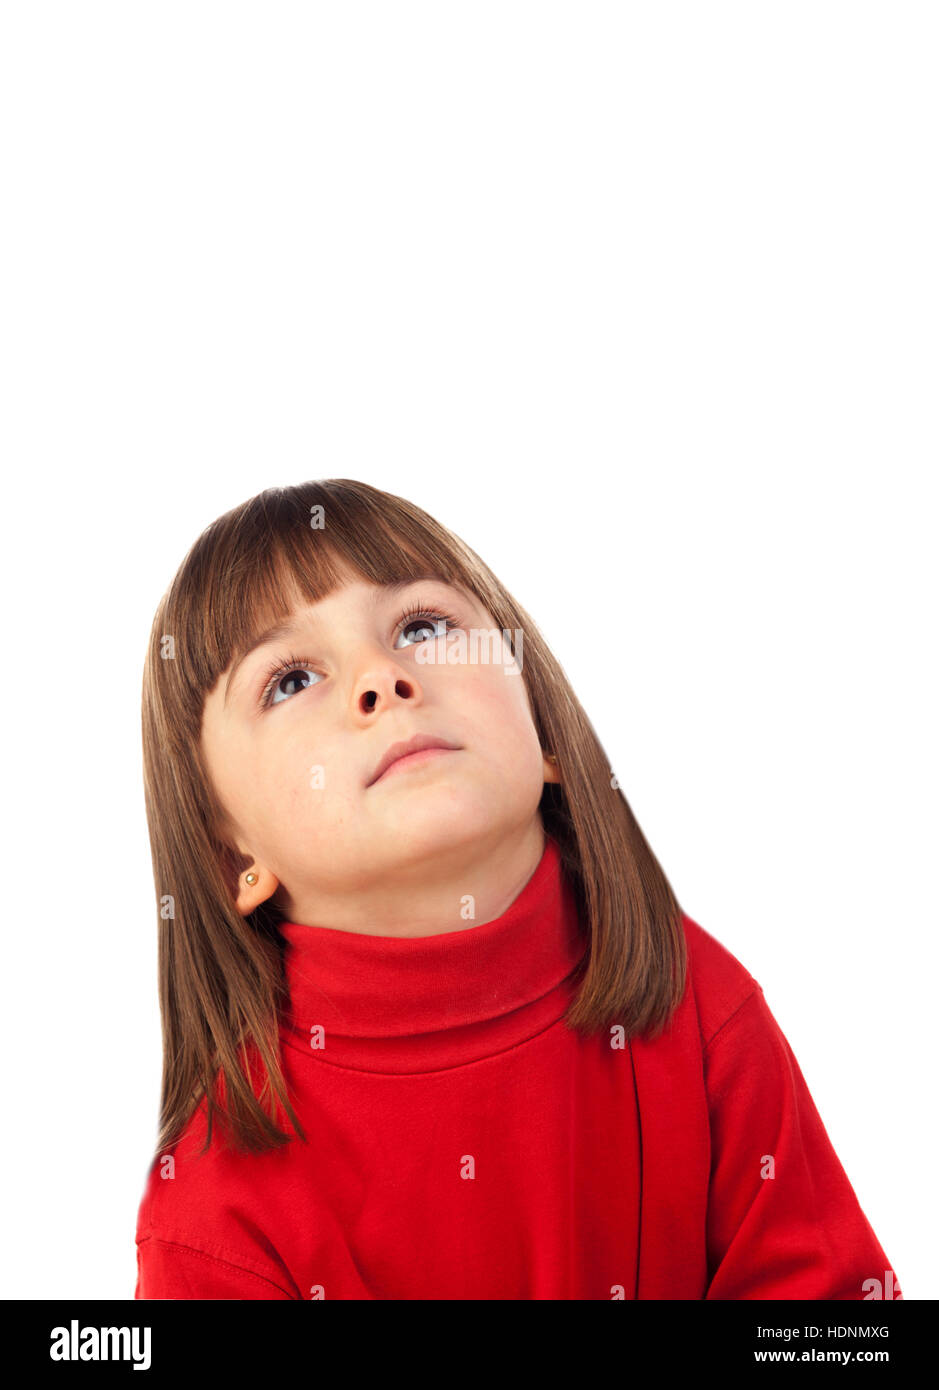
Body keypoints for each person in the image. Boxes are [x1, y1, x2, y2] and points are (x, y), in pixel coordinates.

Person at [134, 478, 900, 1300]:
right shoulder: (215, 1212)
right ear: (230, 862)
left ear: (543, 733)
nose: (381, 679)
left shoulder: (699, 1007)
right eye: (289, 679)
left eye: (422, 628)